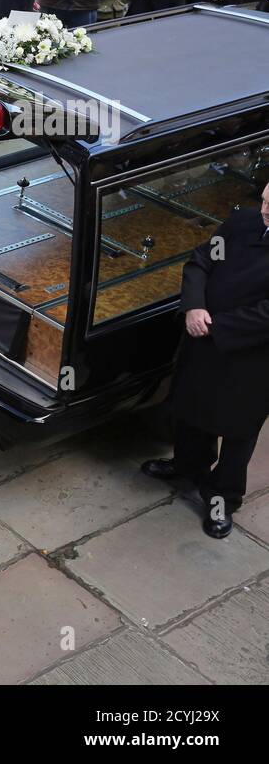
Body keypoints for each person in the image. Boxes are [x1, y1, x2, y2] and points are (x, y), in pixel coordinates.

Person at [143, 183, 269, 539]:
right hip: (203, 339)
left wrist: (214, 325)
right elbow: (202, 260)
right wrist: (194, 305)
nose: (264, 211)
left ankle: (222, 499)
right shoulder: (244, 221)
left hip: (252, 359)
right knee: (189, 408)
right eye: (264, 200)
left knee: (237, 431)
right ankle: (187, 466)